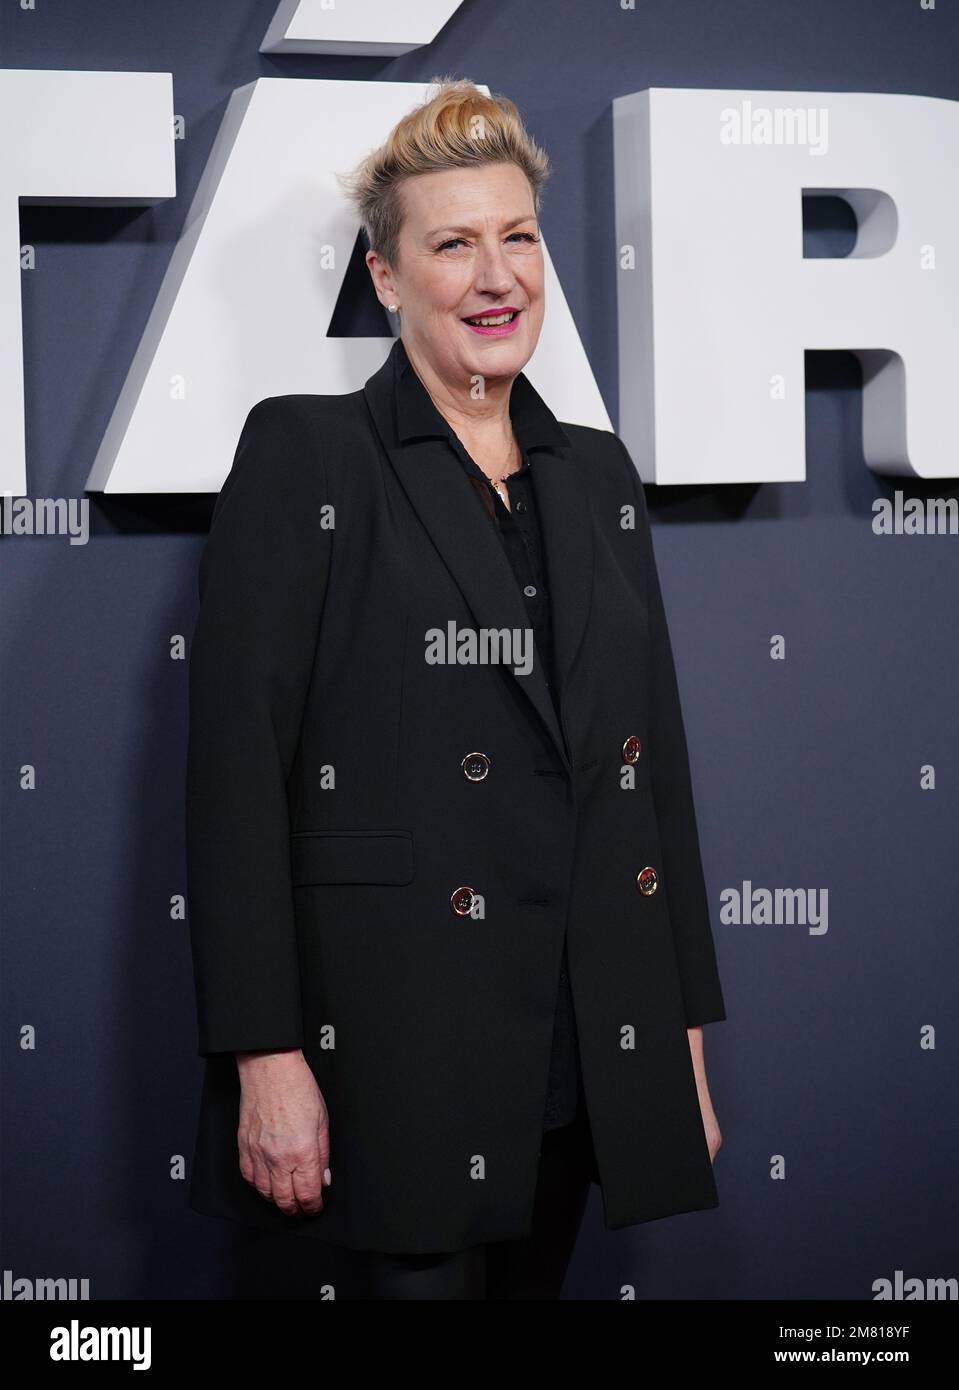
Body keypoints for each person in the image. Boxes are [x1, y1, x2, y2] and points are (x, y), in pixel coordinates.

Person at [185, 75, 726, 1301]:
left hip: (586, 1047)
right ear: (384, 280)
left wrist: (680, 1041)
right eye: (453, 245)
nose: (497, 277)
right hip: (392, 1054)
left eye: (518, 238)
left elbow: (653, 775)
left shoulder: (595, 477)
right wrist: (266, 1058)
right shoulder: (307, 455)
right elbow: (235, 784)